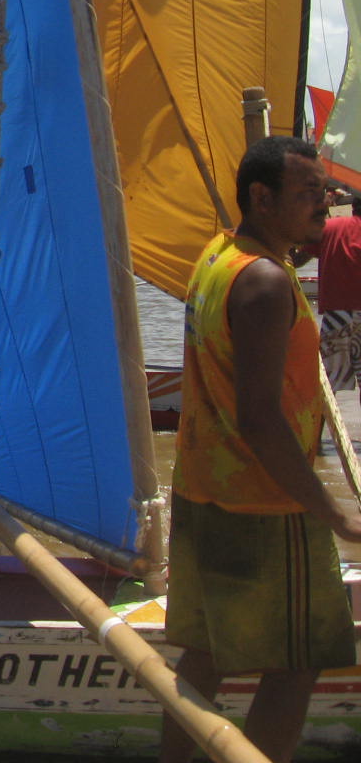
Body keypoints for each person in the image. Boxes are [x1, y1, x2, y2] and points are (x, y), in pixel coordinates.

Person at [159, 136, 361, 763]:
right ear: (262, 198)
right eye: (308, 193)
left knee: (208, 653)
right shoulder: (268, 285)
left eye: (325, 192)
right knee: (299, 662)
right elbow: (261, 420)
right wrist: (332, 514)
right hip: (265, 507)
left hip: (203, 492)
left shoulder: (220, 255)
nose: (323, 205)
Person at [313, 185, 361, 391]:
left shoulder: (331, 228)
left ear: (353, 208)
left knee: (326, 390)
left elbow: (297, 257)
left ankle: (317, 424)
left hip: (336, 317)